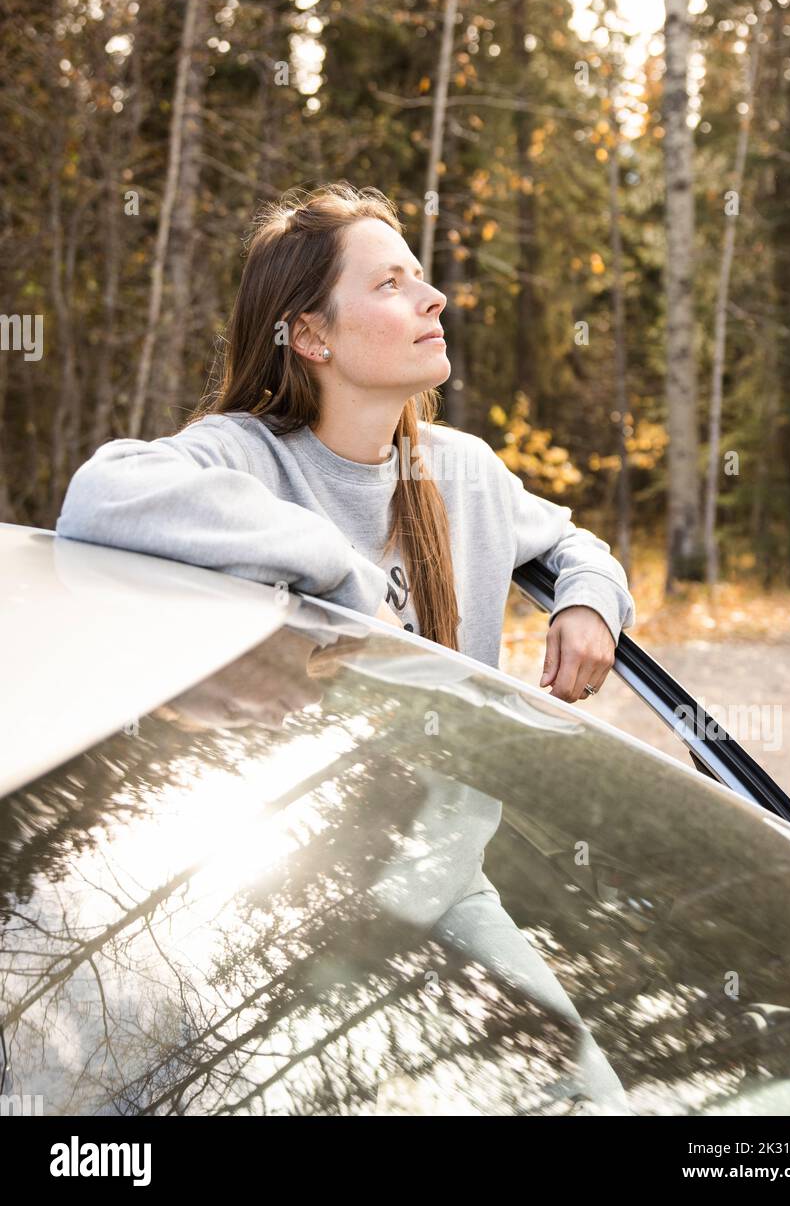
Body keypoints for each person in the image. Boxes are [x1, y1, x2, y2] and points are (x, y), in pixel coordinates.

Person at [56, 181, 637, 1112]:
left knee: (590, 1102)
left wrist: (591, 603)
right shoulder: (248, 456)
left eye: (422, 277)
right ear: (312, 338)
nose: (432, 297)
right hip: (252, 902)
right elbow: (100, 494)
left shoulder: (463, 474)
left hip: (445, 888)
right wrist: (336, 575)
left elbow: (574, 544)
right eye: (393, 283)